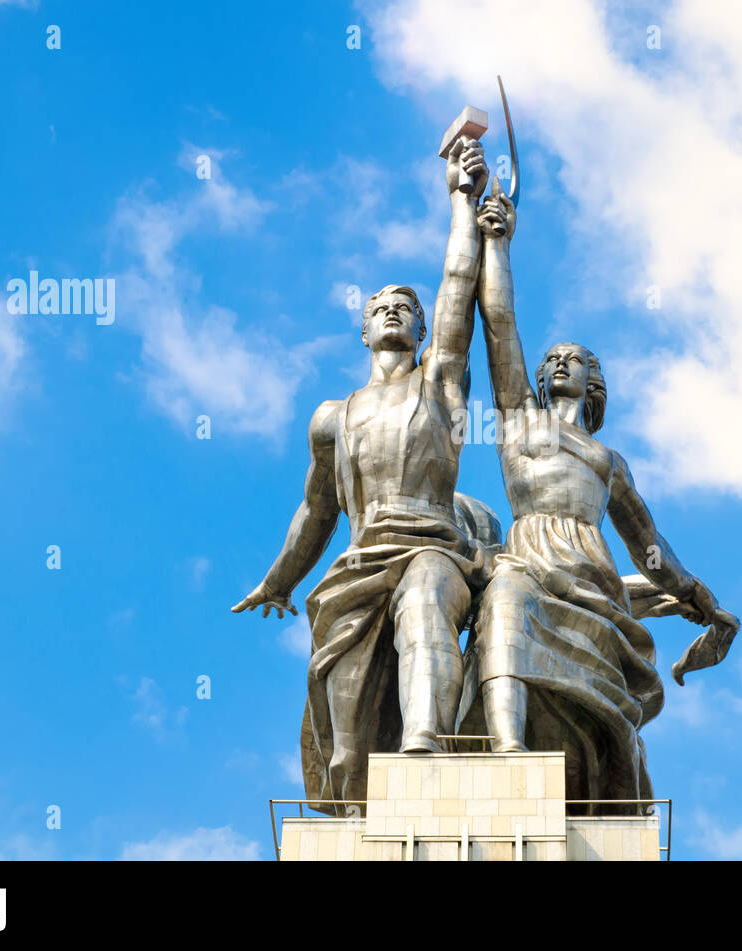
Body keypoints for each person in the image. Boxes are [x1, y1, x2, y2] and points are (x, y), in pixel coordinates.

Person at [460, 181, 740, 809]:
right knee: (503, 603)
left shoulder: (609, 462)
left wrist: (699, 598)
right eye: (553, 358)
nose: (560, 363)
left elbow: (650, 548)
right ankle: (506, 752)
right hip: (528, 557)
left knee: (603, 703)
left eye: (575, 359)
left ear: (594, 381)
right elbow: (499, 326)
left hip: (594, 578)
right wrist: (496, 243)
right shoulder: (518, 424)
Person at [231, 137, 490, 812]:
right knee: (347, 754)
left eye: (407, 306)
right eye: (380, 307)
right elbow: (316, 511)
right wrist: (279, 578)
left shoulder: (442, 383)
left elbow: (459, 284)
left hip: (433, 546)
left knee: (429, 601)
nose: (394, 310)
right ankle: (361, 809)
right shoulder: (331, 418)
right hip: (356, 568)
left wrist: (461, 200)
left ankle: (426, 744)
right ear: (364, 330)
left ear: (424, 327)